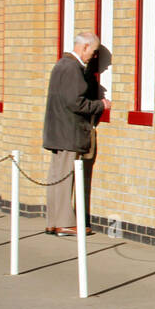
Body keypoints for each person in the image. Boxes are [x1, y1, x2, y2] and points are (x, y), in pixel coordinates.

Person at [42, 31, 109, 236]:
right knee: (65, 177)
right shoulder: (73, 68)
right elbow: (75, 102)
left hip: (56, 131)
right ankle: (64, 222)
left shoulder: (61, 64)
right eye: (94, 52)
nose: (94, 57)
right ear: (85, 47)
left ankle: (54, 221)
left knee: (56, 176)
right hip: (68, 132)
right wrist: (100, 105)